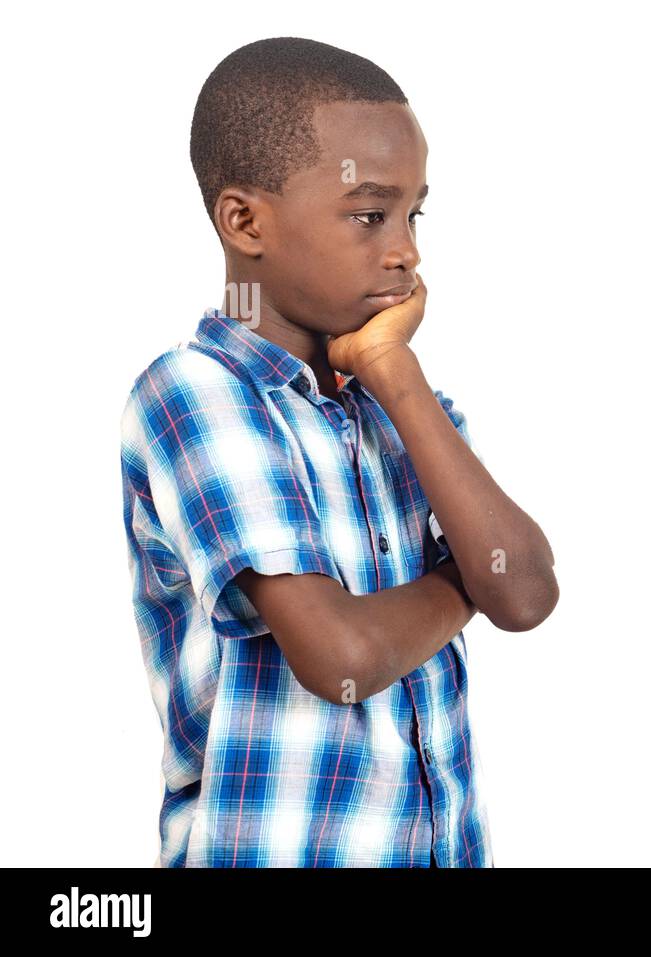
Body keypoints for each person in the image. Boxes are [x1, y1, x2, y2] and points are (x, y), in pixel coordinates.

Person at [119, 37, 558, 867]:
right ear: (245, 220)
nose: (407, 250)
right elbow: (341, 655)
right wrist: (464, 579)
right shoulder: (195, 395)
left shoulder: (400, 406)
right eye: (369, 214)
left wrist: (394, 374)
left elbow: (527, 589)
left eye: (413, 214)